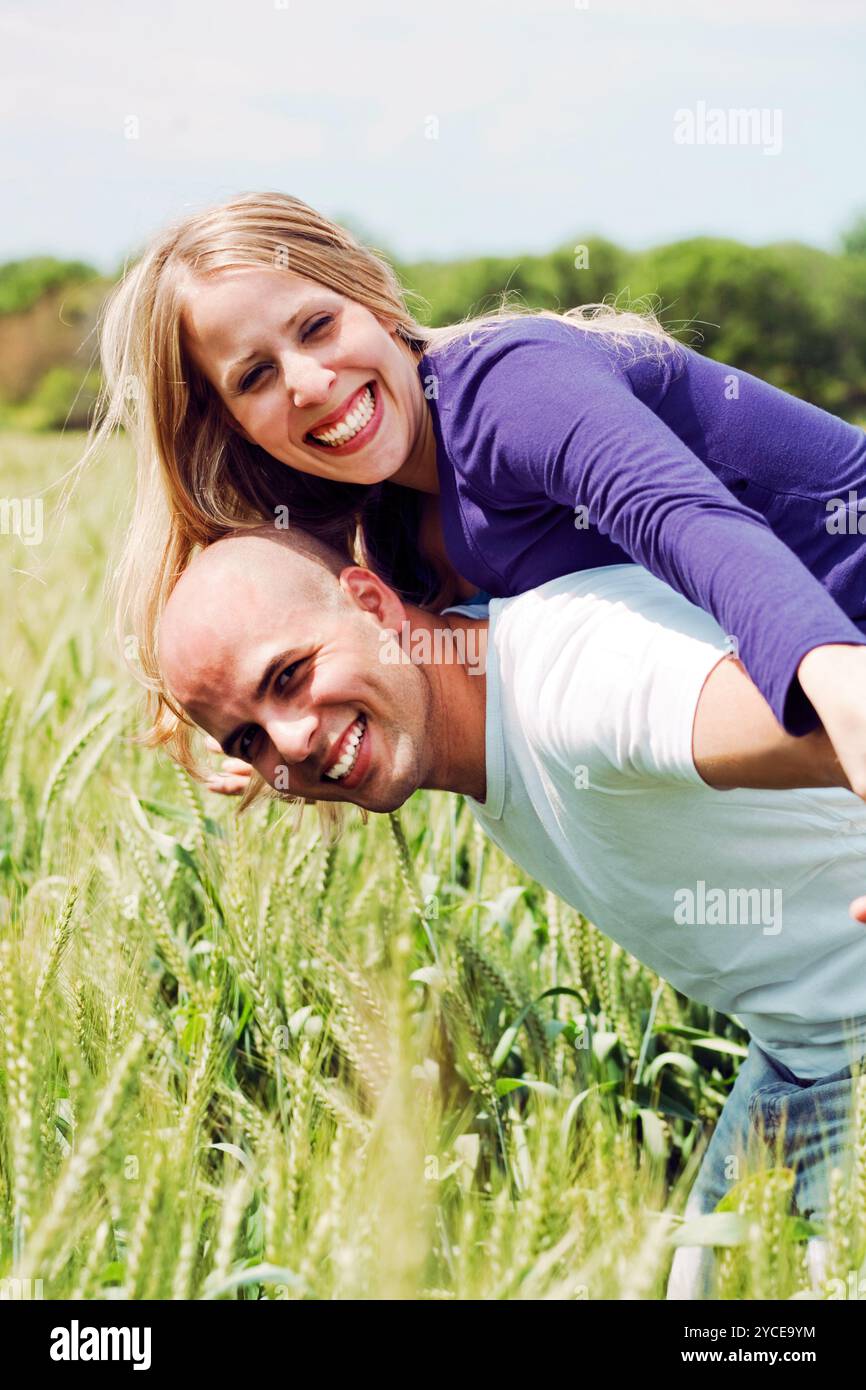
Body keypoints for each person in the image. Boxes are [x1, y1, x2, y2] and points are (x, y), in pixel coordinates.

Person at [156, 524, 866, 1298]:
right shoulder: (467, 705)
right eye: (251, 739)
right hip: (799, 1051)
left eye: (291, 675)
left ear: (371, 602)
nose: (291, 745)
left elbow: (846, 720)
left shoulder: (574, 680)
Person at [85, 191, 866, 801]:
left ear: (377, 303)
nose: (312, 384)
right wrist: (272, 730)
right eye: (255, 376)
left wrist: (841, 685)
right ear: (235, 427)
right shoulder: (394, 543)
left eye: (318, 326)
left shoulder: (507, 388)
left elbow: (688, 523)